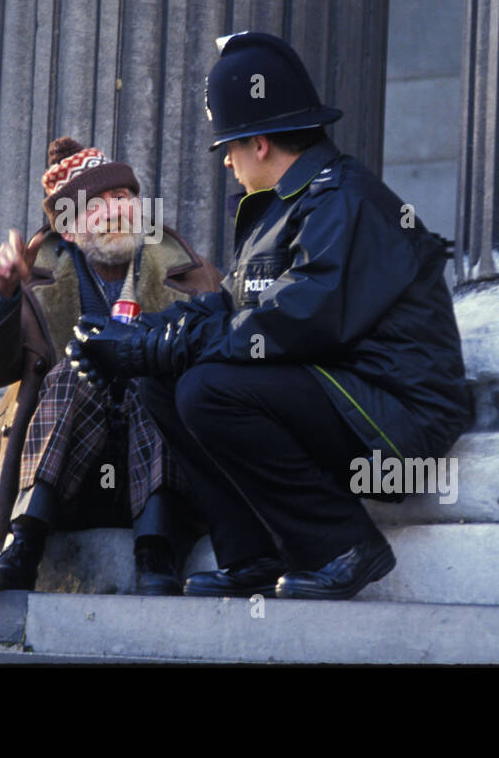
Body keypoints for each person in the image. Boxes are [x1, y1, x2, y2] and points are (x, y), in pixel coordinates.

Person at [68, 31, 475, 599]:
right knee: (163, 383)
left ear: (259, 144)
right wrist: (134, 338)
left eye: (229, 147)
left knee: (208, 388)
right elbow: (234, 309)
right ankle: (251, 557)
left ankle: (343, 546)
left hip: (396, 413)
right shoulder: (285, 204)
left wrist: (164, 346)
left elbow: (297, 318)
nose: (227, 162)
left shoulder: (341, 201)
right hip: (342, 388)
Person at [0, 137, 222, 594]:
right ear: (70, 229)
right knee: (68, 373)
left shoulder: (190, 273)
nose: (115, 210)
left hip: (162, 477)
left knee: (152, 376)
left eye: (122, 198)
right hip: (66, 479)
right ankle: (24, 543)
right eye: (95, 206)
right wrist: (2, 292)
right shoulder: (35, 275)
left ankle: (156, 552)